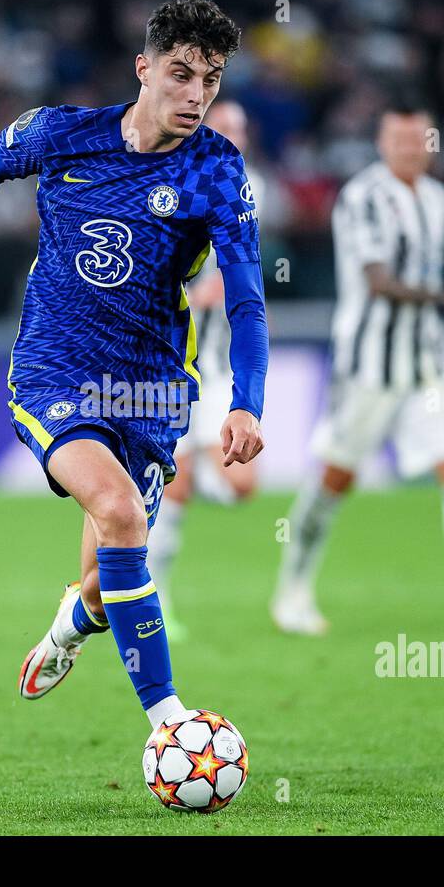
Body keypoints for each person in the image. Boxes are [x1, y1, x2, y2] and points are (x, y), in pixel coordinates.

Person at [0, 0, 268, 729]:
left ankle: (72, 622)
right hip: (55, 372)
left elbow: (248, 302)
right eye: (181, 74)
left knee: (103, 585)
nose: (196, 96)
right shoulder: (61, 134)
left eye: (212, 80)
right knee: (123, 514)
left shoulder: (218, 173)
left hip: (153, 393)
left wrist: (247, 400)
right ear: (144, 68)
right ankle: (170, 723)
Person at [270, 102, 444, 636]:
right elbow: (377, 280)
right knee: (334, 479)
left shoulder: (438, 198)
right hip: (368, 365)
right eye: (399, 139)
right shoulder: (363, 197)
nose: (410, 149)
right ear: (381, 141)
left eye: (419, 139)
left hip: (427, 361)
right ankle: (292, 591)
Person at [145, 100, 262, 642]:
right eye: (226, 128)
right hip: (168, 365)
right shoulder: (168, 183)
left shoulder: (244, 189)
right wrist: (196, 293)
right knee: (176, 484)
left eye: (241, 129)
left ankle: (190, 480)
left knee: (242, 486)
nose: (234, 137)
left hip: (215, 371)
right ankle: (159, 600)